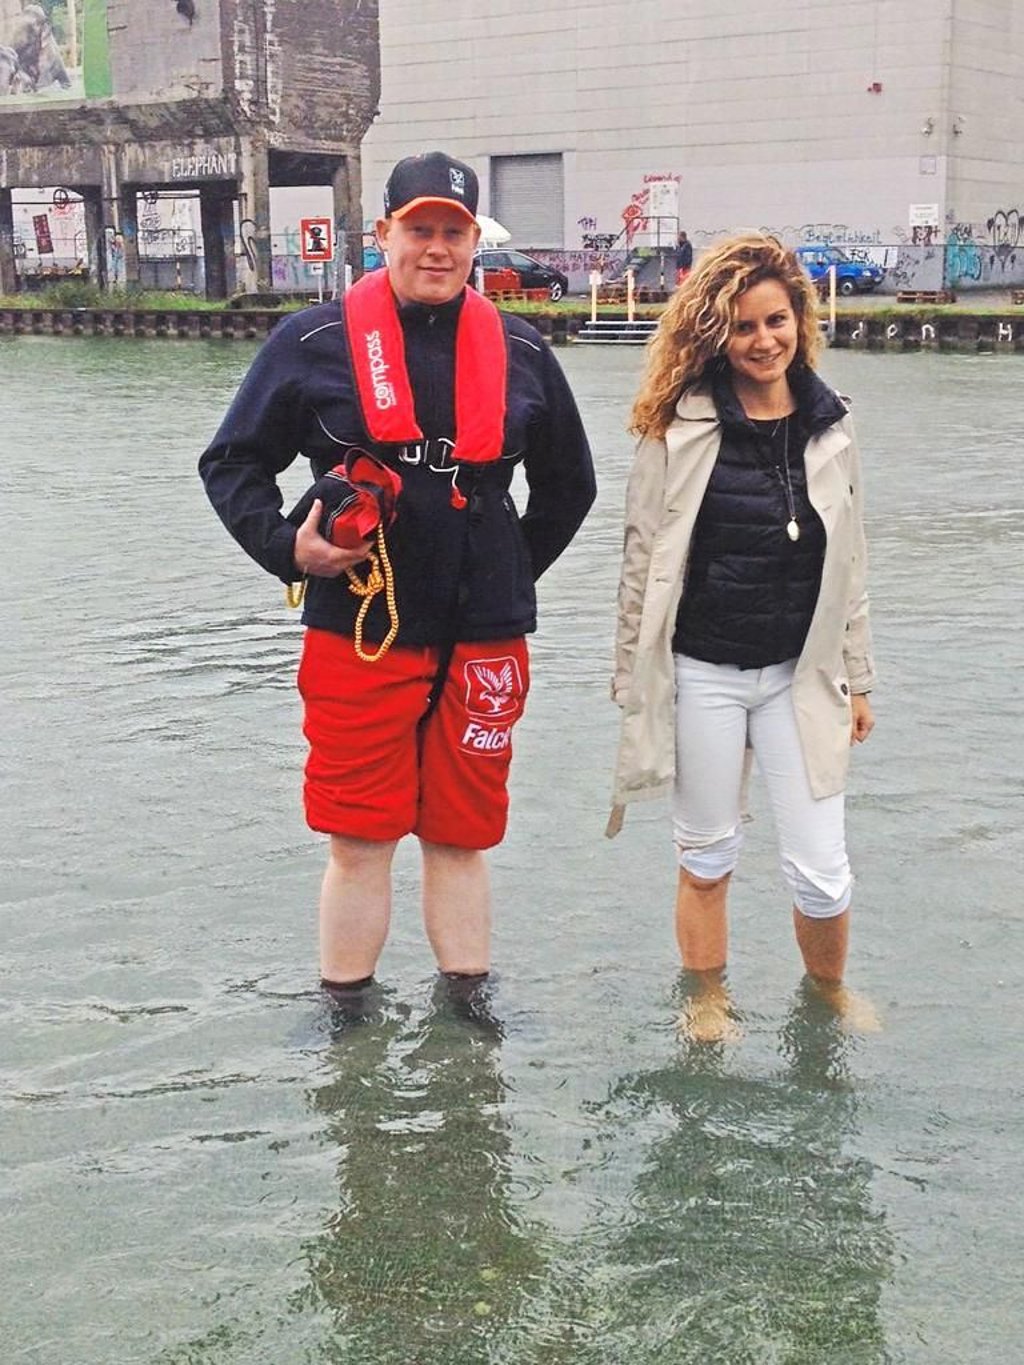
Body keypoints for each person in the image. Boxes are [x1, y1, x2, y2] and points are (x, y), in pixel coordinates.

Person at [199, 151, 596, 1009]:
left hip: (484, 637)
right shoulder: (310, 342)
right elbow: (232, 462)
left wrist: (510, 570)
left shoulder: (524, 350)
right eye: (420, 229)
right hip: (358, 629)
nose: (438, 248)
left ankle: (466, 1010)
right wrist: (286, 549)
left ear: (474, 242)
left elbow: (572, 487)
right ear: (383, 235)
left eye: (454, 232)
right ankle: (348, 1014)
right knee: (359, 838)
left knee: (461, 837)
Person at [608, 233, 876, 1040]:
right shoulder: (676, 427)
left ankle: (827, 993)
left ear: (801, 317)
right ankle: (706, 999)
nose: (764, 340)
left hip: (803, 674)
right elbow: (639, 557)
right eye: (743, 326)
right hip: (703, 673)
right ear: (715, 334)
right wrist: (633, 679)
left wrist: (859, 678)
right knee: (706, 855)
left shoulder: (834, 427)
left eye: (776, 320)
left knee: (823, 872)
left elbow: (851, 562)